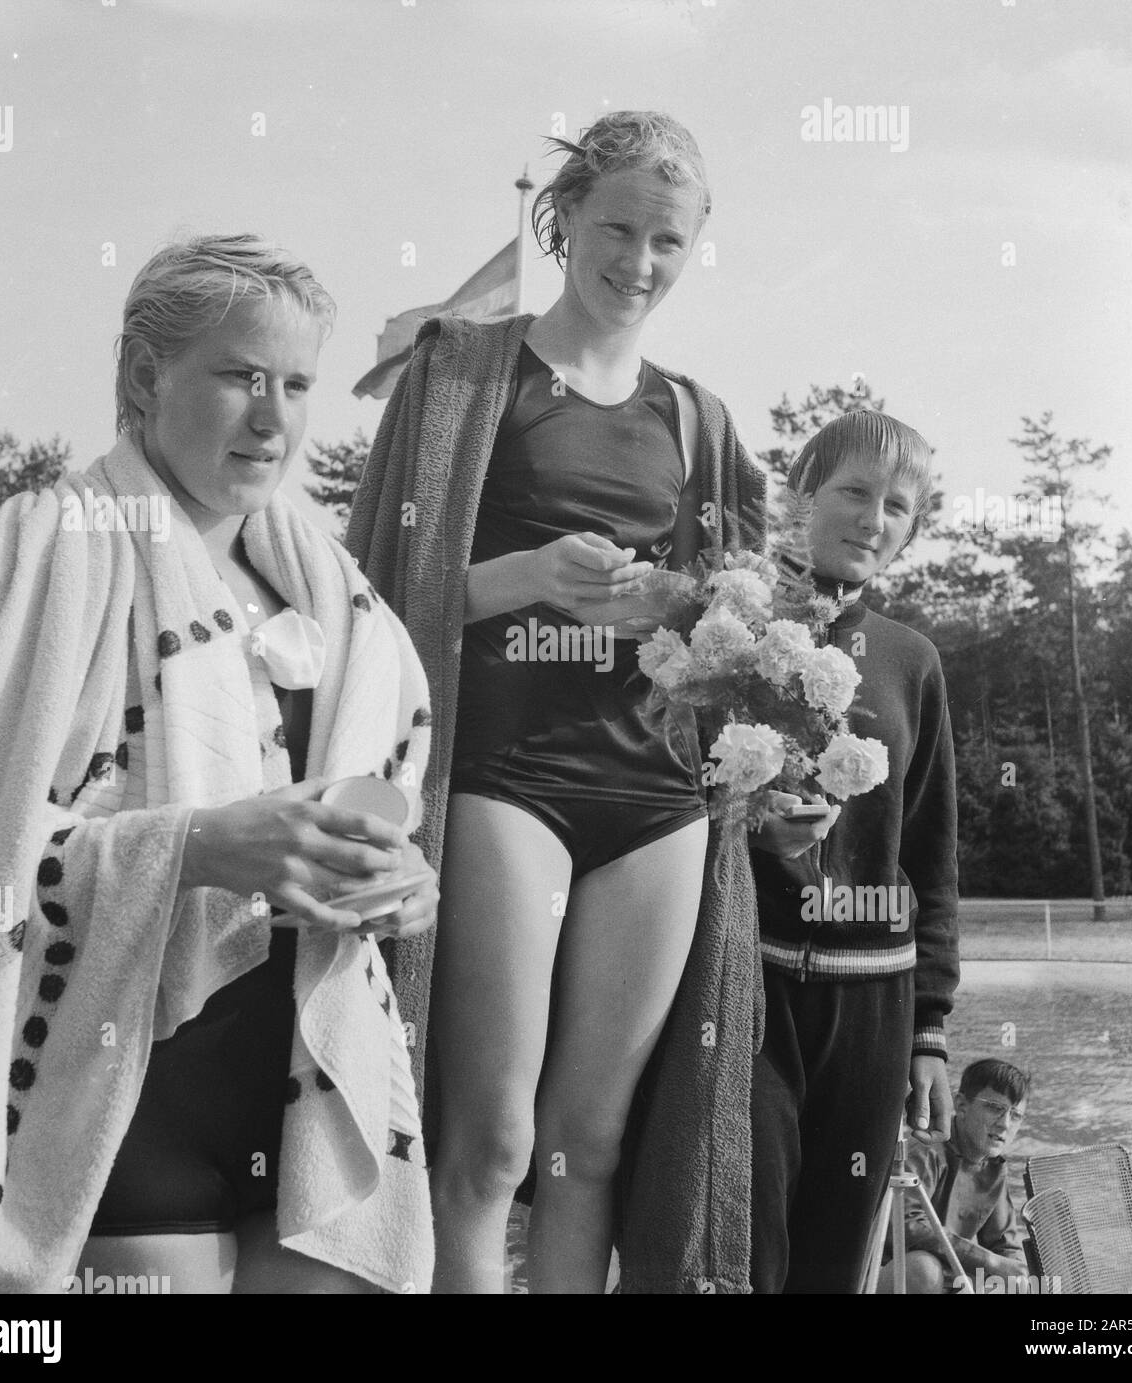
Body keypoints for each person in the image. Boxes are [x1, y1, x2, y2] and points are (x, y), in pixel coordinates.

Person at [0, 234, 438, 1294]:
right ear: (148, 377)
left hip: (308, 1061)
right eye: (241, 374)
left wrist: (402, 886)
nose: (274, 416)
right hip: (121, 1071)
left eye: (296, 383)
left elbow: (381, 809)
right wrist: (194, 846)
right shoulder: (37, 560)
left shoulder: (336, 592)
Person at [346, 111, 768, 1293]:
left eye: (667, 241)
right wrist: (522, 579)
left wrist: (675, 614)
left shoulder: (700, 419)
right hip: (501, 778)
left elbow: (741, 633)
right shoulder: (459, 375)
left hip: (656, 798)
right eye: (618, 228)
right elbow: (368, 593)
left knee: (591, 1148)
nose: (639, 261)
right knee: (490, 1143)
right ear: (564, 216)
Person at [748, 408, 960, 1293]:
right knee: (740, 1242)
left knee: (835, 1261)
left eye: (899, 507)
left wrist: (931, 1031)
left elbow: (931, 852)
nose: (876, 519)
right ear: (800, 497)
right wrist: (746, 819)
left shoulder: (912, 661)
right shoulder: (732, 625)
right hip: (745, 984)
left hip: (873, 1002)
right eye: (855, 492)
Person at [879, 1057, 1029, 1293]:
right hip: (889, 1275)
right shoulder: (926, 1152)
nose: (1005, 1124)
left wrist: (1017, 1272)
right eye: (995, 1108)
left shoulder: (994, 1167)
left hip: (952, 1281)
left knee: (1018, 1282)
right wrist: (988, 1261)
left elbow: (1005, 1246)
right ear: (961, 1105)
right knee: (924, 1269)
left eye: (1016, 1115)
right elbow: (906, 1224)